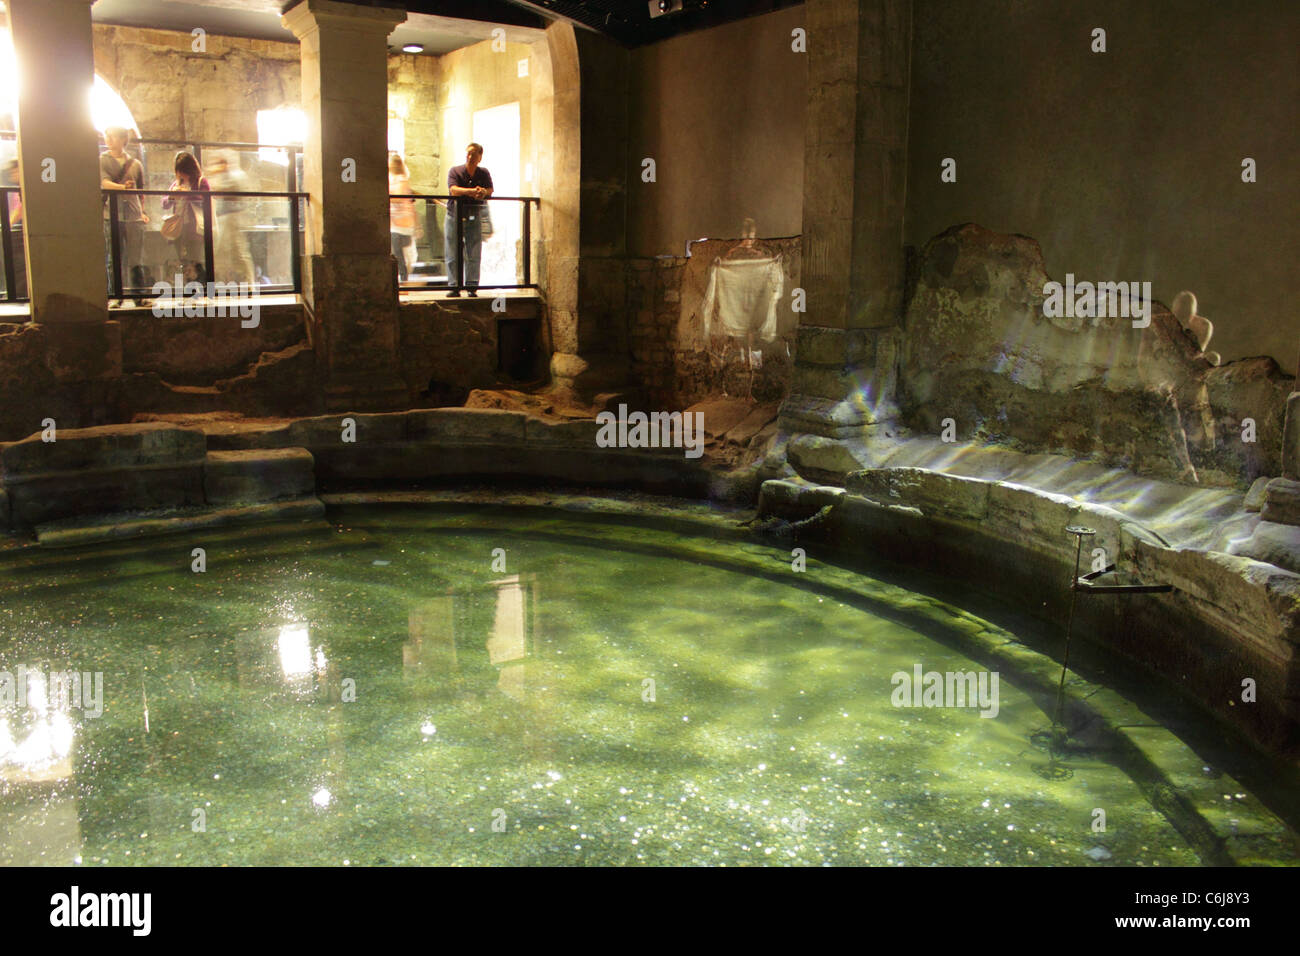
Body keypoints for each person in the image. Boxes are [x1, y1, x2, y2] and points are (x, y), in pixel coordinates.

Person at [99, 126, 149, 302]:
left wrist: (143, 212)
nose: (108, 140)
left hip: (133, 215)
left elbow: (142, 191)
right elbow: (104, 183)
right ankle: (115, 296)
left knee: (136, 258)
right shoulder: (103, 160)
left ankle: (139, 296)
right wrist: (123, 187)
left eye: (112, 137)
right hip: (111, 215)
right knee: (114, 258)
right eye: (107, 136)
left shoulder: (135, 164)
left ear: (122, 140)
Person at [444, 142, 493, 297]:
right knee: (453, 251)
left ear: (480, 157)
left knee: (474, 250)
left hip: (474, 215)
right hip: (454, 215)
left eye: (474, 154)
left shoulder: (483, 173)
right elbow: (453, 190)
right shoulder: (455, 171)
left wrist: (483, 191)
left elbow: (490, 190)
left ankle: (471, 286)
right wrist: (473, 192)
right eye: (468, 153)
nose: (470, 156)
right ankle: (454, 285)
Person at [206, 149, 255, 289]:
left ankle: (250, 284)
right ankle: (219, 283)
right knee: (221, 253)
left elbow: (228, 193)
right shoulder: (224, 177)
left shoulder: (236, 176)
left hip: (234, 219)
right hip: (224, 218)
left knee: (239, 251)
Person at [160, 151, 210, 283]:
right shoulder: (175, 184)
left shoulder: (201, 182)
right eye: (179, 170)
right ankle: (190, 291)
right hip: (179, 229)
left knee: (196, 261)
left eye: (184, 170)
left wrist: (187, 194)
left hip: (195, 229)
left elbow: (205, 200)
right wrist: (171, 196)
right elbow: (164, 203)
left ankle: (204, 289)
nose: (181, 174)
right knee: (184, 262)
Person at [389, 153, 420, 282]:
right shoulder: (393, 179)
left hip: (401, 222)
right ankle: (401, 277)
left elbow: (399, 196)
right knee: (398, 251)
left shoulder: (401, 179)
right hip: (396, 221)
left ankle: (403, 277)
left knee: (398, 252)